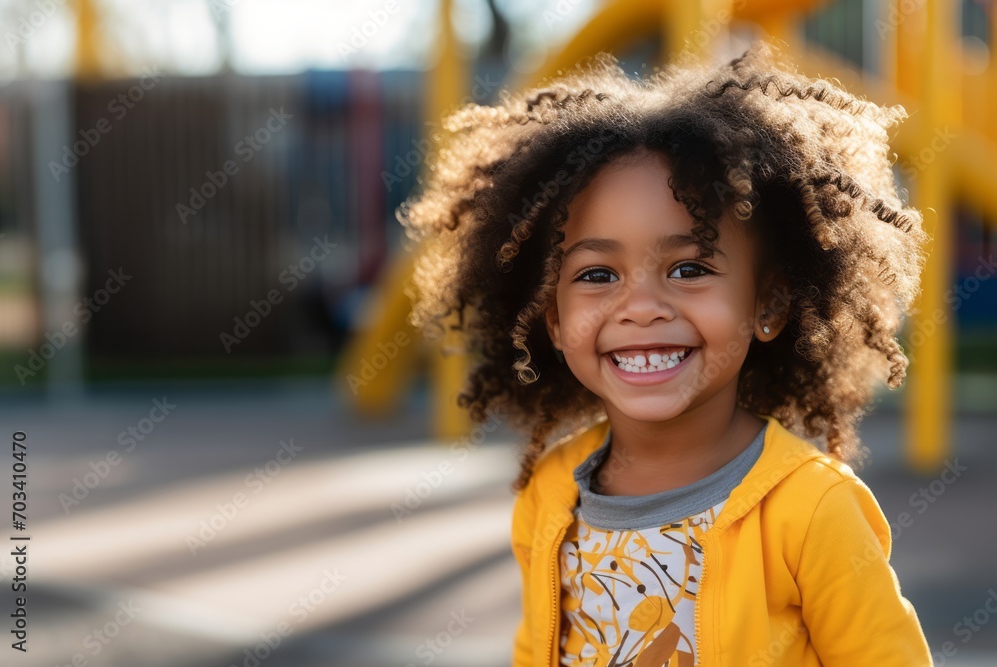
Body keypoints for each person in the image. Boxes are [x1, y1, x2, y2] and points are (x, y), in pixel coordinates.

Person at [398, 40, 933, 666]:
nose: (642, 306)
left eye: (688, 267)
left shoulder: (810, 509)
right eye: (597, 275)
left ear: (768, 306)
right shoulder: (550, 495)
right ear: (552, 316)